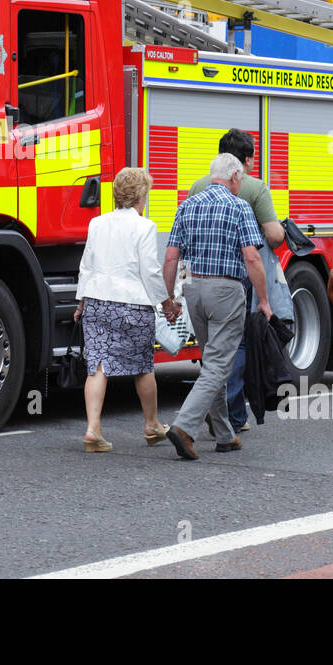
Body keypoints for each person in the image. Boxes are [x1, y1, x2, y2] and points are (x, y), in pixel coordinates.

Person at [162, 153, 272, 460]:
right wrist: (264, 300)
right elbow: (252, 258)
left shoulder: (188, 205)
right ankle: (184, 426)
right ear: (235, 177)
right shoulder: (239, 207)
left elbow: (171, 257)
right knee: (219, 365)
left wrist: (169, 298)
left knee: (213, 360)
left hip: (194, 288)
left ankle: (225, 434)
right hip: (226, 290)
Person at [187, 128, 286, 434]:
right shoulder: (254, 189)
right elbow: (273, 236)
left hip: (199, 279)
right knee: (237, 345)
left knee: (211, 349)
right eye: (252, 157)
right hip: (234, 279)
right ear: (243, 162)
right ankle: (232, 416)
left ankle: (214, 413)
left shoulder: (197, 186)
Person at [75, 167, 176, 452]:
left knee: (96, 366)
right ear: (141, 196)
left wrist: (81, 301)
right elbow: (151, 272)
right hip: (132, 307)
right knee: (143, 367)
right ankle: (152, 425)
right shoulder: (145, 227)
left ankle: (93, 429)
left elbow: (87, 265)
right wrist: (166, 303)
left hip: (97, 302)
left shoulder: (97, 224)